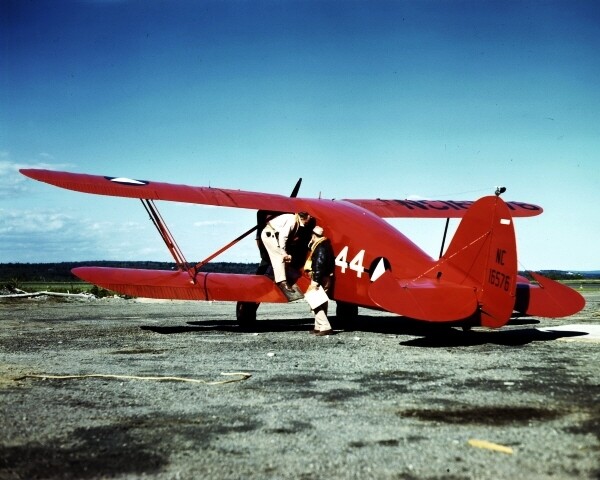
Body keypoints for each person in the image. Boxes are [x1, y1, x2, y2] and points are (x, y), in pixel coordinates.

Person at [260, 211, 311, 300]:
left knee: (282, 256)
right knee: (279, 257)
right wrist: (284, 252)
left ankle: (278, 276)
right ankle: (282, 282)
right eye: (308, 219)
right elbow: (283, 236)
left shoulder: (295, 220)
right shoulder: (292, 221)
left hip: (272, 234)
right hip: (270, 234)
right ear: (303, 218)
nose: (308, 222)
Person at [304, 225, 335, 336]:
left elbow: (319, 265)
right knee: (322, 302)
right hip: (326, 277)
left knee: (314, 302)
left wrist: (316, 281)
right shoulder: (325, 245)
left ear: (313, 235)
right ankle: (319, 326)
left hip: (320, 277)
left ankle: (325, 327)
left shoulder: (320, 247)